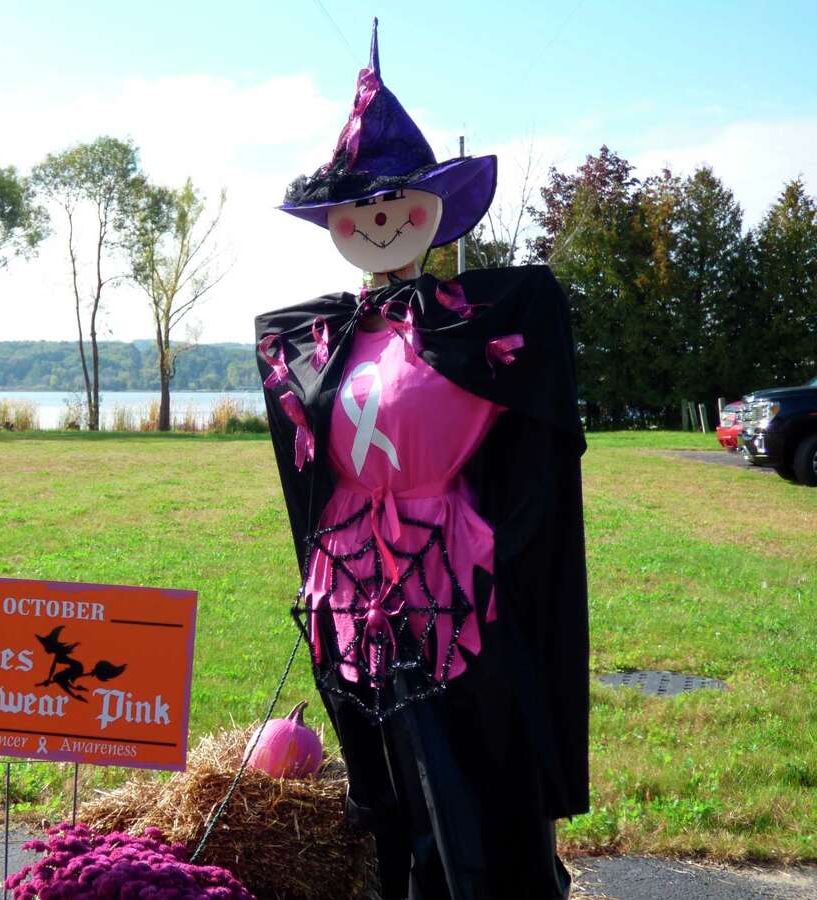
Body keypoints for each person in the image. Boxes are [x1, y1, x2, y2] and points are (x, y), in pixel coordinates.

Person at [254, 20, 589, 900]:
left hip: (464, 576)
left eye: (397, 202)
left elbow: (536, 419)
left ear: (434, 210)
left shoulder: (482, 319)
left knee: (480, 773)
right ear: (335, 221)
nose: (378, 220)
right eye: (359, 207)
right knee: (393, 784)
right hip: (352, 590)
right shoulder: (319, 339)